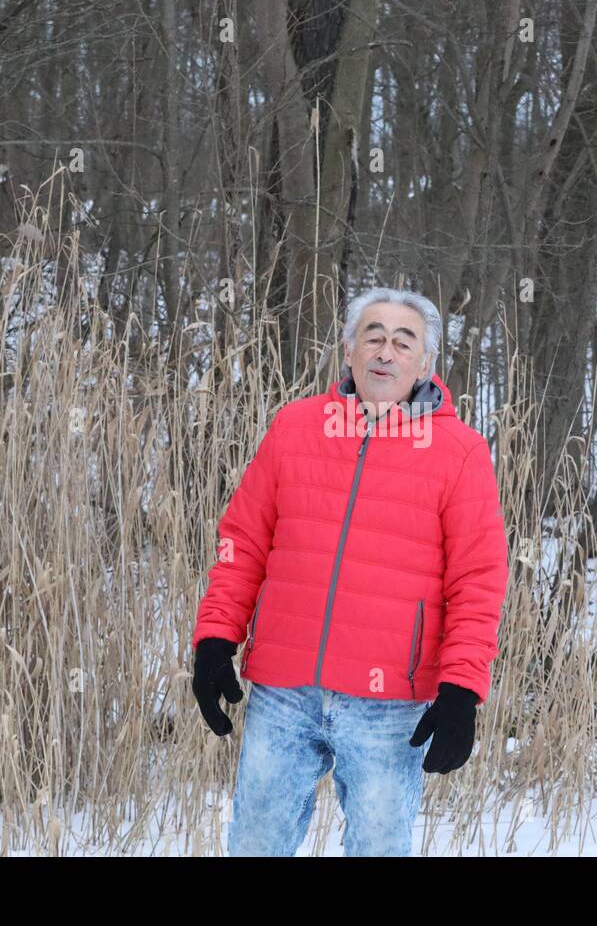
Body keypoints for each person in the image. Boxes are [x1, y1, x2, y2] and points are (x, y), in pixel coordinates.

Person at [190, 287, 510, 856]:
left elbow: (477, 581)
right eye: (373, 336)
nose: (385, 352)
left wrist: (461, 688)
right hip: (284, 690)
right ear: (348, 348)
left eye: (402, 341)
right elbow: (243, 541)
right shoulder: (295, 426)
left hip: (390, 704)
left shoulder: (459, 452)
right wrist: (215, 639)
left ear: (425, 363)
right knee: (254, 844)